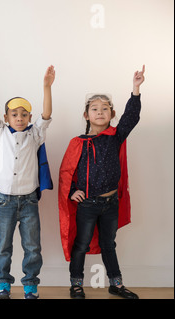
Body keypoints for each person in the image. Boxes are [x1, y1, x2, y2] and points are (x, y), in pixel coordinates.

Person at [58, 65, 145, 299]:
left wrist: (135, 90)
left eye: (105, 109)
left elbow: (131, 117)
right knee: (81, 244)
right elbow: (68, 173)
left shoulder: (115, 137)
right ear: (86, 115)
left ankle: (116, 284)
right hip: (87, 205)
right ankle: (76, 284)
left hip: (110, 204)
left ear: (112, 114)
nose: (100, 112)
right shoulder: (78, 142)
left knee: (109, 244)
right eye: (94, 109)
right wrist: (73, 190)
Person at [0, 66, 55, 299]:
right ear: (6, 118)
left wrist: (46, 87)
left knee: (32, 247)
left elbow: (46, 116)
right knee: (3, 246)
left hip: (28, 201)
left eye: (24, 114)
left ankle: (30, 285)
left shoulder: (35, 135)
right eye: (14, 115)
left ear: (29, 117)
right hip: (5, 199)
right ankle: (3, 284)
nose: (19, 118)